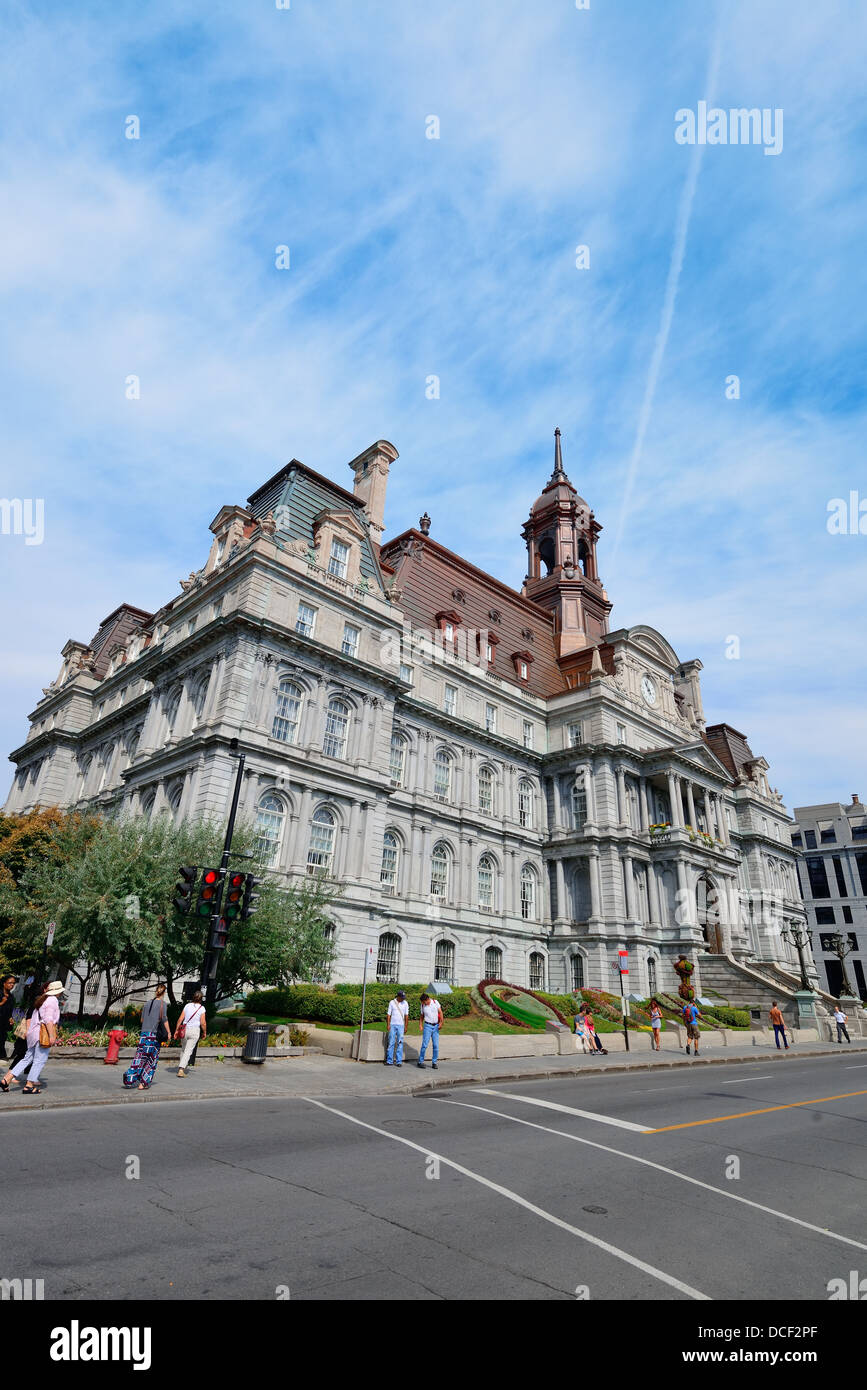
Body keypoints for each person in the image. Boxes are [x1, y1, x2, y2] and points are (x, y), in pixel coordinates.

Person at [1, 981, 63, 1096]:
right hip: (42, 1034)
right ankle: (29, 1085)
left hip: (34, 1033)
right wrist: (52, 1036)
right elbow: (48, 1019)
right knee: (39, 1060)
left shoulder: (42, 999)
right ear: (58, 992)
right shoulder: (52, 1000)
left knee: (27, 1058)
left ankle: (6, 1079)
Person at [174, 991, 206, 1076]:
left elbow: (180, 1019)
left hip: (185, 1029)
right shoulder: (202, 1008)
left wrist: (177, 1030)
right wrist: (204, 1032)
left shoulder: (187, 1006)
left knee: (184, 1049)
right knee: (188, 1050)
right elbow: (203, 1023)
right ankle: (181, 1069)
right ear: (201, 999)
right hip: (195, 1030)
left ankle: (183, 1066)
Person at [418, 992, 443, 1070]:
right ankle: (420, 1061)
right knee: (424, 1044)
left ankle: (434, 1062)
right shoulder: (423, 1005)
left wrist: (441, 1023)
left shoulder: (435, 1002)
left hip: (435, 1026)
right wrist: (420, 1025)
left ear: (426, 1000)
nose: (422, 1003)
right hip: (427, 1026)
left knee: (436, 1045)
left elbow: (440, 1012)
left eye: (423, 1002)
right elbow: (422, 1016)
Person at [385, 990, 408, 1066]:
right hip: (393, 1025)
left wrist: (406, 1026)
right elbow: (388, 1015)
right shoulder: (392, 1002)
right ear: (398, 996)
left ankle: (399, 1061)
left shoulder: (405, 1003)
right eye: (402, 997)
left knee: (400, 1043)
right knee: (391, 1042)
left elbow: (406, 1016)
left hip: (401, 1025)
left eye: (403, 998)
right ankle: (389, 1060)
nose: (403, 999)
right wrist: (388, 1025)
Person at [0, 975, 17, 1060]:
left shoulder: (11, 996)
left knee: (2, 1039)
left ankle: (2, 1056)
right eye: (10, 983)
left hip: (3, 1023)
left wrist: (10, 1018)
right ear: (4, 983)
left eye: (13, 983)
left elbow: (9, 1010)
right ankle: (2, 1056)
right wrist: (2, 1002)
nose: (12, 985)